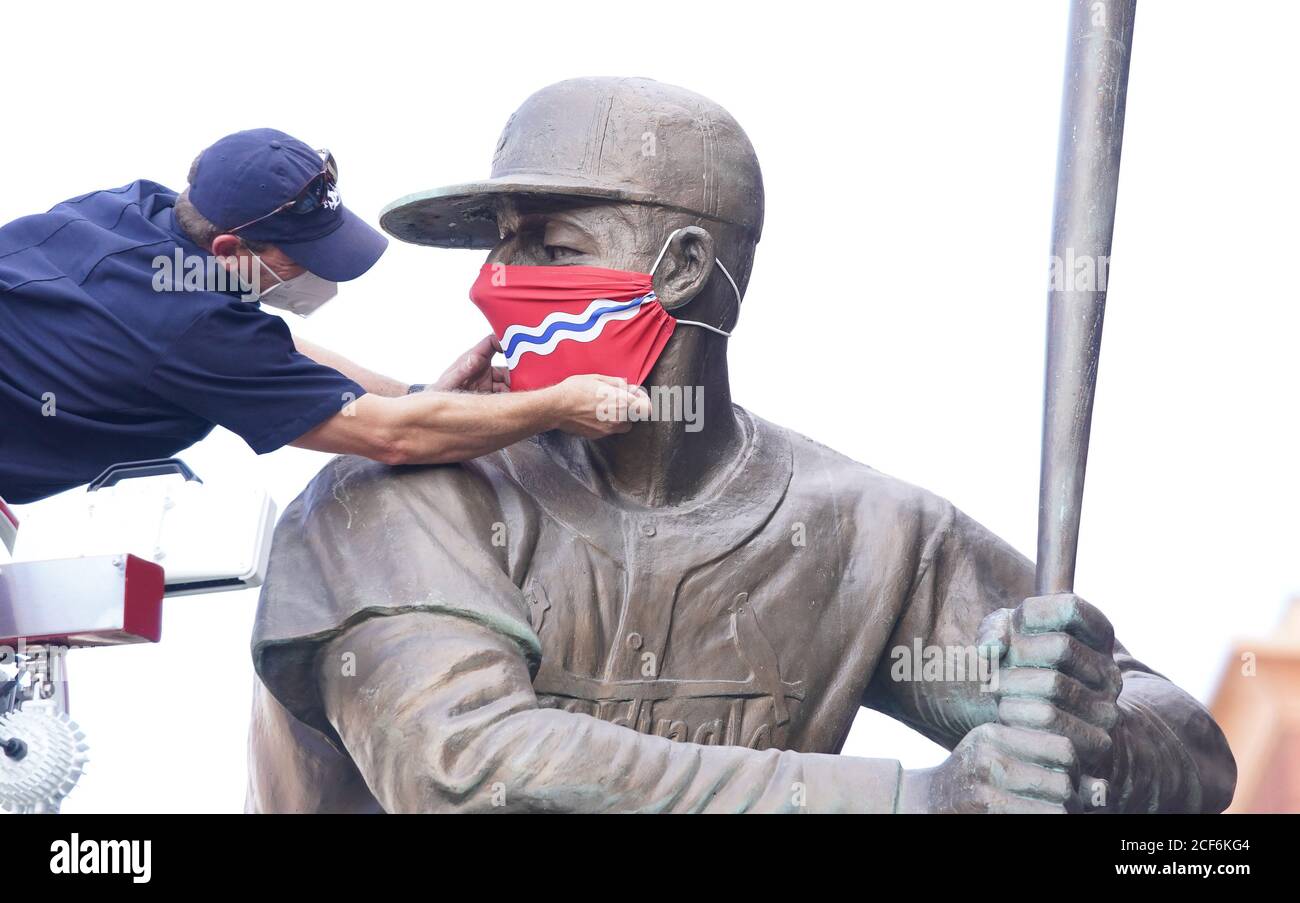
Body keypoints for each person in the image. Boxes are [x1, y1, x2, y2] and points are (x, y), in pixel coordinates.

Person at [246, 79, 1235, 813]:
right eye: (499, 244)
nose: (497, 280)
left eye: (549, 246)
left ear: (679, 268)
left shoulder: (862, 530)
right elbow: (464, 766)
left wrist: (1079, 719)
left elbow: (1196, 760)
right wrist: (910, 801)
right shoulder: (391, 498)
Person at [0, 128, 644, 505]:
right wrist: (557, 407)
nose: (313, 271)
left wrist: (417, 394)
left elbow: (266, 353)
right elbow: (394, 439)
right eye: (300, 256)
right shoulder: (184, 327)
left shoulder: (137, 211)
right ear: (229, 248)